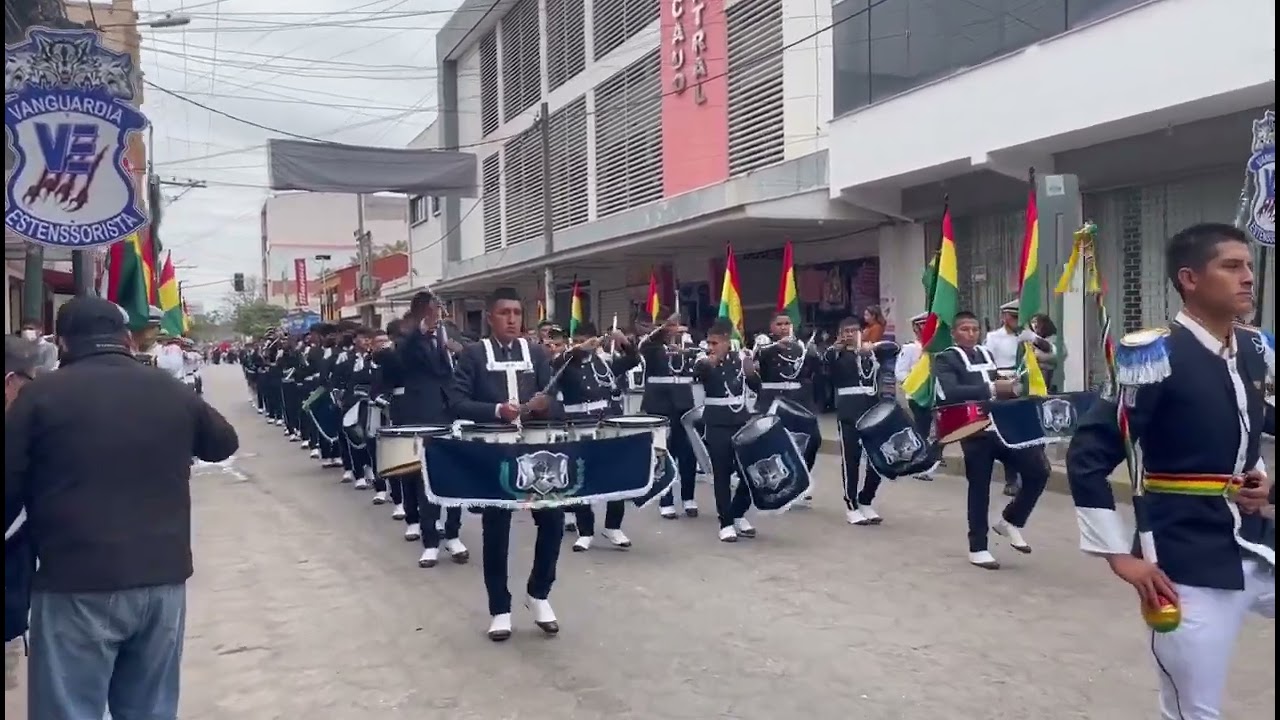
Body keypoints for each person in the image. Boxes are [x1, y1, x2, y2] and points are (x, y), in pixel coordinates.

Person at [1066, 223, 1273, 720]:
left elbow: (1255, 426)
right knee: (1194, 711)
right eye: (1231, 266)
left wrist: (1266, 483)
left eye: (1248, 265)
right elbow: (1088, 456)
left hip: (1256, 540)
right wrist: (1120, 556)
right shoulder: (1153, 356)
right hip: (1184, 560)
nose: (1247, 277)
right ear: (1190, 278)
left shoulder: (1251, 349)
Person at [5, 296, 239, 719]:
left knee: (70, 710)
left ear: (62, 342)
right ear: (127, 338)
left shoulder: (39, 397)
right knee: (150, 710)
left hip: (75, 582)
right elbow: (223, 444)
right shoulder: (168, 388)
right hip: (161, 582)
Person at [448, 287, 559, 641]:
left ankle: (539, 593)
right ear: (491, 317)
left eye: (516, 313)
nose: (512, 319)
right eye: (504, 313)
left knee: (553, 522)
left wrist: (546, 405)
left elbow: (555, 397)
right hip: (494, 452)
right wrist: (497, 410)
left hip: (537, 451)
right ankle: (500, 608)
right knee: (496, 532)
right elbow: (456, 400)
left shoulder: (538, 353)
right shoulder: (473, 355)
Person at [933, 310, 1050, 570]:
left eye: (974, 329)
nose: (971, 334)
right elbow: (951, 392)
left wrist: (1010, 384)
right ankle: (978, 547)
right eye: (964, 329)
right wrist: (992, 389)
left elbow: (997, 383)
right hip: (972, 429)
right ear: (954, 332)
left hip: (1001, 425)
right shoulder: (945, 358)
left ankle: (1010, 520)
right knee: (979, 487)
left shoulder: (985, 353)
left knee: (1038, 470)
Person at [554, 321, 639, 551]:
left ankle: (613, 526)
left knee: (615, 477)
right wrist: (577, 350)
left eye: (586, 340)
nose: (582, 344)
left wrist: (624, 343)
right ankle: (585, 531)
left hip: (606, 425)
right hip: (579, 426)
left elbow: (633, 360)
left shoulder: (604, 362)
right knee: (581, 479)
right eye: (578, 340)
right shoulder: (566, 363)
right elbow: (553, 365)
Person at [398, 292, 468, 567]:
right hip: (423, 411)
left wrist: (460, 350)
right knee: (426, 477)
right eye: (431, 309)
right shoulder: (410, 335)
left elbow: (469, 351)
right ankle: (430, 541)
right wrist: (421, 332)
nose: (437, 313)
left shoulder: (448, 330)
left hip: (452, 409)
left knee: (453, 476)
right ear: (420, 311)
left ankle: (453, 535)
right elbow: (401, 358)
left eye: (439, 308)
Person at [695, 320, 763, 542]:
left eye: (715, 342)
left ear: (726, 341)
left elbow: (756, 386)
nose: (711, 347)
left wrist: (751, 371)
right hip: (717, 425)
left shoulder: (740, 359)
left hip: (740, 421)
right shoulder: (703, 360)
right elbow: (699, 372)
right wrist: (710, 363)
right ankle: (725, 522)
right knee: (722, 474)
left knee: (748, 471)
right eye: (709, 342)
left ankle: (738, 512)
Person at [824, 317, 886, 525]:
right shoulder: (836, 354)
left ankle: (866, 499)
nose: (850, 334)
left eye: (854, 330)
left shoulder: (871, 353)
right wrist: (836, 349)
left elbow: (893, 348)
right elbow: (825, 365)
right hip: (849, 412)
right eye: (846, 331)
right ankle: (851, 505)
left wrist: (871, 347)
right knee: (851, 460)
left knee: (877, 460)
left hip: (873, 411)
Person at [639, 314, 702, 519]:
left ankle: (688, 497)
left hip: (684, 405)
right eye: (669, 326)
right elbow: (645, 345)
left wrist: (687, 347)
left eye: (676, 325)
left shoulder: (688, 345)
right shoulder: (651, 346)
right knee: (664, 454)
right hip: (660, 406)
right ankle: (666, 500)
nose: (674, 329)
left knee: (688, 453)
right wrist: (663, 329)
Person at [893, 312, 937, 480]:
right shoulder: (911, 348)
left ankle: (926, 461)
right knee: (922, 429)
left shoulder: (935, 347)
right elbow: (900, 372)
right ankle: (920, 464)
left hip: (934, 395)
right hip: (918, 396)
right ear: (916, 328)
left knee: (934, 431)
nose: (926, 329)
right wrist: (913, 385)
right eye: (923, 325)